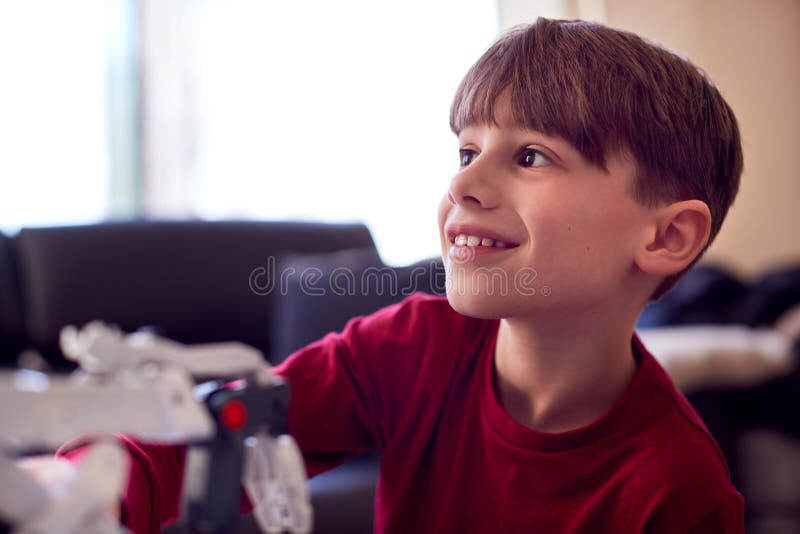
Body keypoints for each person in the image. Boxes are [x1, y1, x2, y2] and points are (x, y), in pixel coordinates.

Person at [65, 17, 745, 533]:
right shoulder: (408, 348)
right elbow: (204, 437)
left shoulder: (680, 490)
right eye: (467, 151)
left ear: (666, 236)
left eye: (532, 156)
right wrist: (74, 488)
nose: (463, 184)